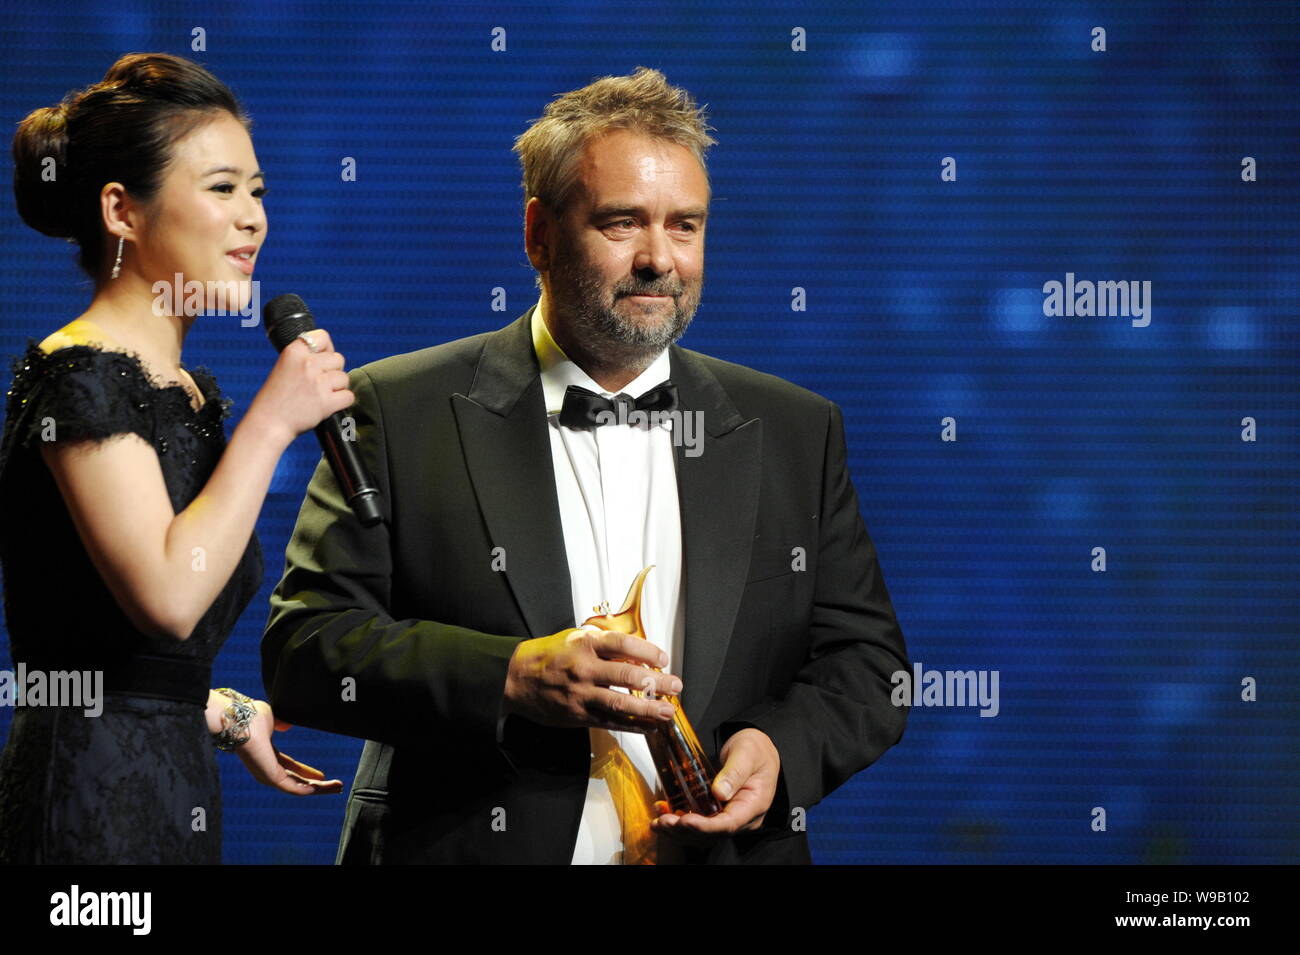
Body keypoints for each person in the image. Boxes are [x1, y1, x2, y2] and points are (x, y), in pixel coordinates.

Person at [262, 66, 909, 864]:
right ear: (537, 232)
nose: (658, 258)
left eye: (685, 226)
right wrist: (511, 676)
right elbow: (303, 649)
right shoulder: (395, 408)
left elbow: (870, 666)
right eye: (621, 222)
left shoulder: (794, 430)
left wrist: (776, 748)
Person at [0, 53, 352, 865]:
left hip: (167, 792)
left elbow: (118, 663)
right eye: (223, 189)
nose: (253, 218)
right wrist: (272, 423)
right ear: (122, 211)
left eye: (257, 192)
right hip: (87, 813)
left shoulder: (185, 391)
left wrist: (228, 712)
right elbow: (168, 596)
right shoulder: (79, 375)